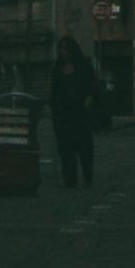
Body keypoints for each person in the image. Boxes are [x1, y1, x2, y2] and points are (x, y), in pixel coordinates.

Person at [49, 31, 102, 189]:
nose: (62, 52)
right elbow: (54, 92)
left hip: (80, 114)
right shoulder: (57, 69)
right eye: (60, 48)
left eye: (65, 48)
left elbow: (93, 88)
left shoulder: (83, 67)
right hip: (63, 115)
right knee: (65, 148)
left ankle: (87, 177)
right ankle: (70, 179)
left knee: (84, 147)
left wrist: (88, 101)